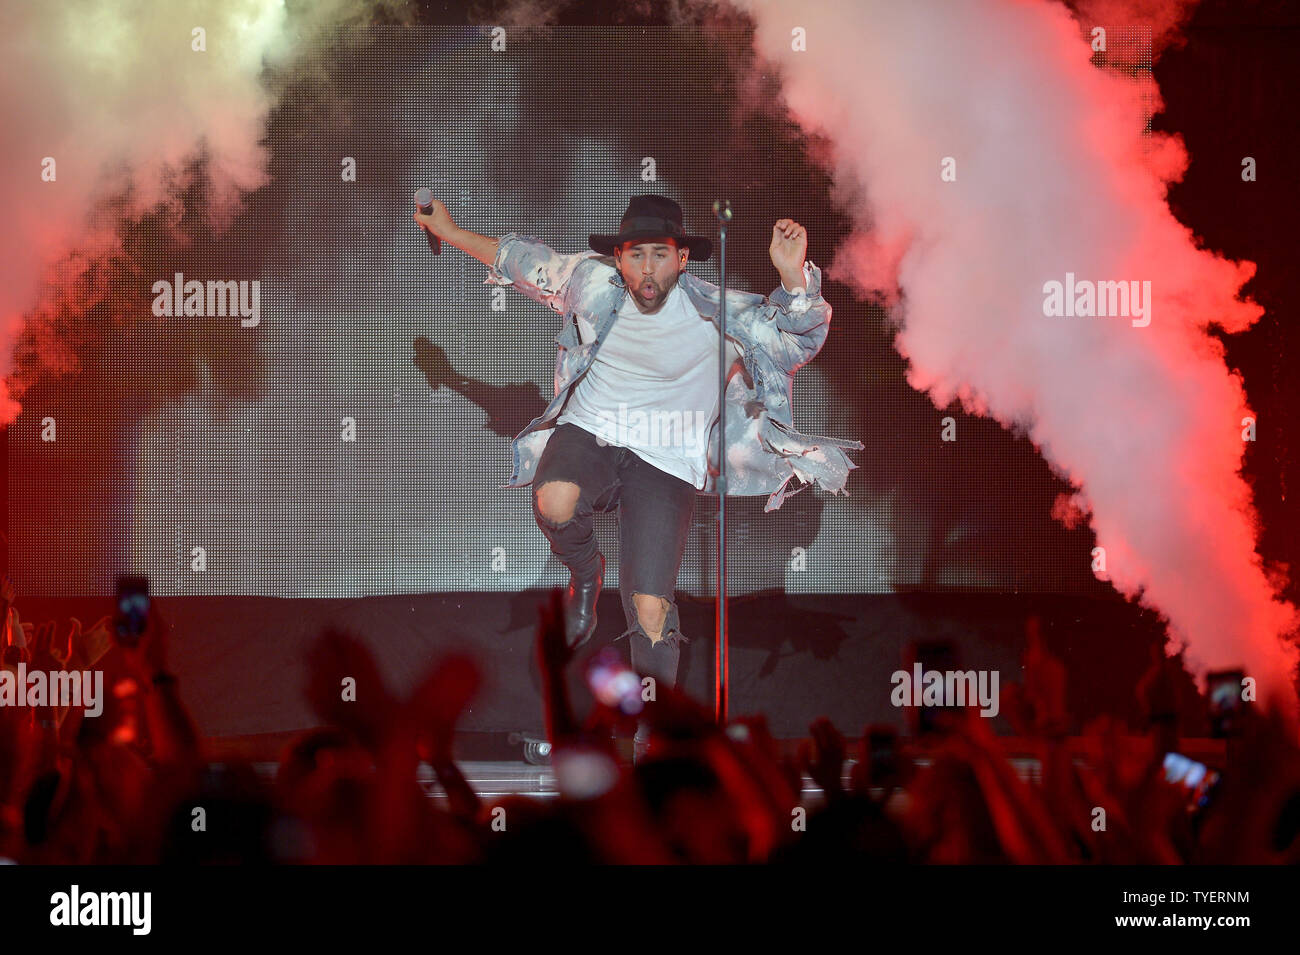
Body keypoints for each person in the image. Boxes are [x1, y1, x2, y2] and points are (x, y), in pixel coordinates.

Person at [413, 194, 862, 755]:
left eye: (660, 255)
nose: (647, 269)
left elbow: (797, 339)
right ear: (620, 260)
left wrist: (793, 278)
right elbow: (524, 261)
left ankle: (655, 734)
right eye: (635, 256)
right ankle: (585, 571)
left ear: (682, 260)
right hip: (593, 433)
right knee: (553, 499)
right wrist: (451, 232)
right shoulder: (594, 284)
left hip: (667, 462)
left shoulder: (722, 313)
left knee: (650, 610)